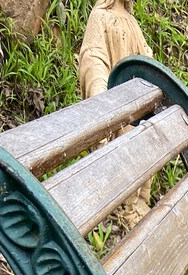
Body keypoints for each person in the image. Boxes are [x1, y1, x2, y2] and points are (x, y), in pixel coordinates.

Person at [78, 0, 153, 227]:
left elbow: (146, 62)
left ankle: (137, 206)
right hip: (116, 107)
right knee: (125, 148)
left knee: (144, 144)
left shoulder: (132, 22)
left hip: (136, 107)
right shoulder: (100, 16)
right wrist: (102, 98)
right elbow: (93, 59)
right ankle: (123, 211)